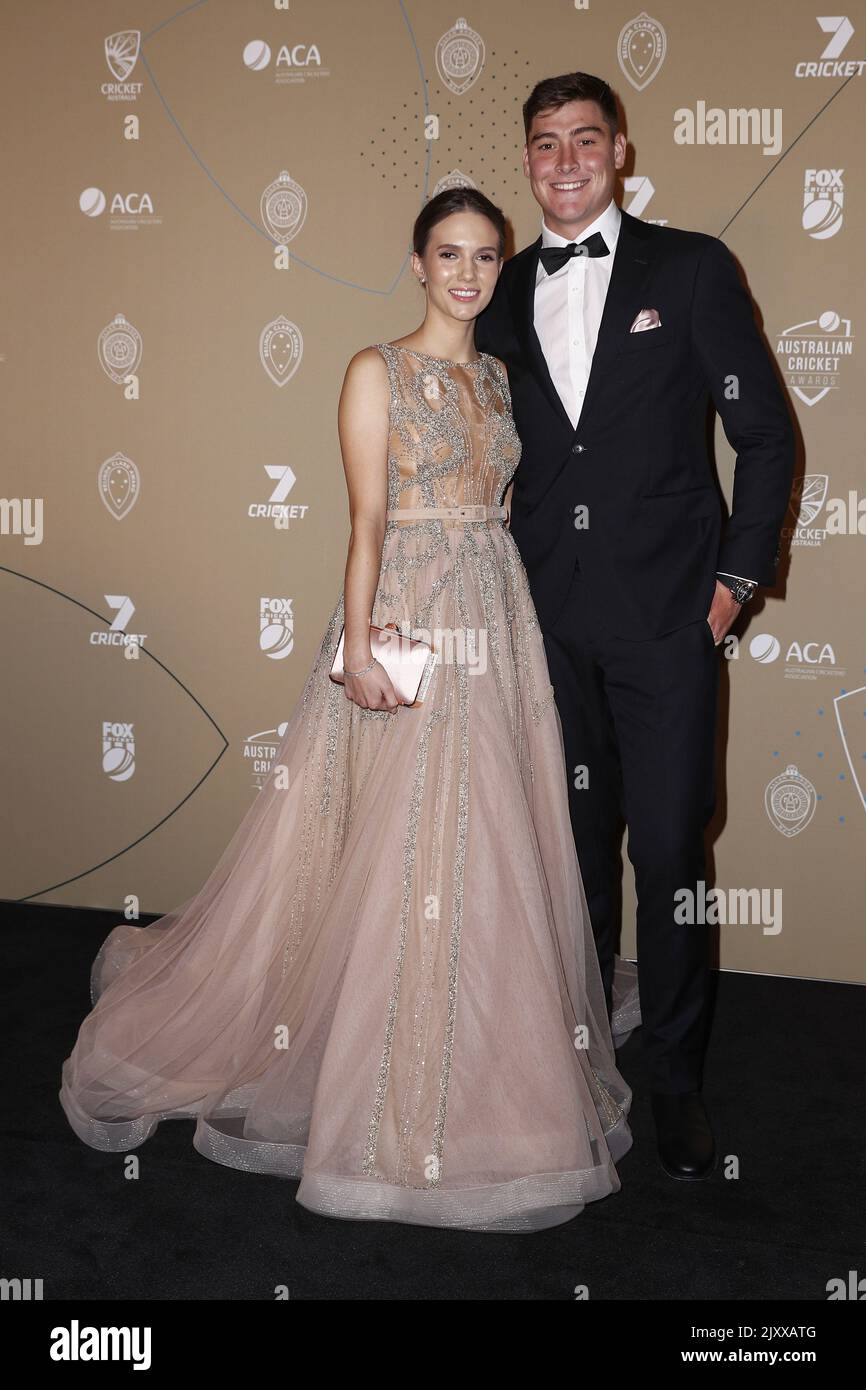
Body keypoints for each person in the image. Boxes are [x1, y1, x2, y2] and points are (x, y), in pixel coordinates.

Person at [59, 187, 640, 1233]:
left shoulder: (501, 377)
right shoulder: (375, 369)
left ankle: (483, 1061)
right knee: (396, 839)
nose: (465, 272)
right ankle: (385, 1088)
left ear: (498, 265)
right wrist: (360, 640)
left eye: (482, 256)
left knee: (487, 839)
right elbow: (366, 516)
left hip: (493, 619)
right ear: (415, 261)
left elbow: (504, 506)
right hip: (409, 610)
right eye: (446, 253)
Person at [474, 73, 795, 1179]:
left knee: (667, 853)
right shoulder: (503, 288)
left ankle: (673, 1082)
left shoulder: (690, 266)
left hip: (666, 624)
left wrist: (730, 585)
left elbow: (764, 437)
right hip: (545, 621)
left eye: (582, 140)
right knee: (570, 859)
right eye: (542, 144)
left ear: (617, 148)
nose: (562, 161)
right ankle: (569, 1066)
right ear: (527, 160)